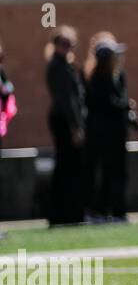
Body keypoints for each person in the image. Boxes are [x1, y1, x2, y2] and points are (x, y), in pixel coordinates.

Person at [84, 34, 138, 223]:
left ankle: (118, 211)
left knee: (119, 173)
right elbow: (107, 104)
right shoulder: (97, 78)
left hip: (118, 133)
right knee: (106, 173)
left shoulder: (119, 76)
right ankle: (100, 211)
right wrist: (125, 105)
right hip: (103, 133)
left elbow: (122, 102)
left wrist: (134, 120)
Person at [45, 26, 86, 225]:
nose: (68, 48)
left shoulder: (64, 65)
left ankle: (69, 213)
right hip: (64, 121)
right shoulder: (57, 66)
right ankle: (64, 214)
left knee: (70, 167)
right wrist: (76, 126)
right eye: (64, 44)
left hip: (66, 119)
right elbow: (66, 100)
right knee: (67, 166)